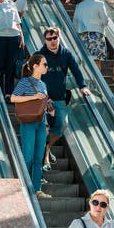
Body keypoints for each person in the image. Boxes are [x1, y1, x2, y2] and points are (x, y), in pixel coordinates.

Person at [40, 26, 91, 169]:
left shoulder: (66, 54)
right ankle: (43, 156)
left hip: (60, 98)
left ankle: (47, 148)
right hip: (43, 99)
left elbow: (76, 70)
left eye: (55, 38)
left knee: (62, 124)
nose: (52, 41)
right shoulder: (40, 55)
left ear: (59, 37)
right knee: (44, 127)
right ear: (45, 40)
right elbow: (34, 76)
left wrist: (82, 86)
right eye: (49, 39)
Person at [10, 53, 52, 200]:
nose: (47, 67)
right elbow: (14, 98)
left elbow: (41, 104)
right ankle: (22, 188)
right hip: (28, 122)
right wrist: (34, 97)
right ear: (35, 66)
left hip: (41, 122)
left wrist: (48, 108)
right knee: (27, 157)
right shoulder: (25, 82)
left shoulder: (44, 84)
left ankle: (36, 189)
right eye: (44, 64)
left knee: (38, 158)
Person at [73, 0, 109, 69]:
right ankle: (97, 82)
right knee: (96, 61)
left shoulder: (79, 6)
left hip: (83, 36)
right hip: (96, 36)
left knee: (85, 61)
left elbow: (75, 23)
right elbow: (105, 21)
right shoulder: (99, 4)